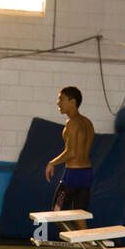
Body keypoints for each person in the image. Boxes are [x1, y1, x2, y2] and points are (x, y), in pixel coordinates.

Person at [45, 86, 95, 231]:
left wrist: (51, 163)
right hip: (87, 174)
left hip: (73, 175)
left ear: (72, 102)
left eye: (61, 99)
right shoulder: (88, 122)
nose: (58, 103)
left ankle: (81, 243)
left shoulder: (72, 123)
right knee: (79, 217)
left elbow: (72, 152)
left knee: (57, 214)